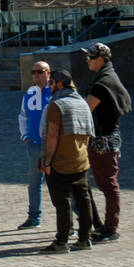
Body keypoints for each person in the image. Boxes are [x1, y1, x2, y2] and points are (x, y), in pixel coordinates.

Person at [38, 69, 96, 252]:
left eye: (51, 83)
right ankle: (85, 239)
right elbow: (88, 134)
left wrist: (47, 161)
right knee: (83, 200)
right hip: (81, 160)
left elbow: (52, 135)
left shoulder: (57, 105)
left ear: (59, 83)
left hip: (60, 162)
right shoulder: (82, 103)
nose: (50, 87)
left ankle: (61, 241)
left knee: (62, 203)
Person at [82, 42, 131, 242]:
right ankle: (105, 226)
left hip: (104, 141)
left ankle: (110, 229)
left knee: (108, 185)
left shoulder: (103, 83)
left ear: (100, 59)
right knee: (106, 184)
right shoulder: (107, 76)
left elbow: (86, 109)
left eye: (90, 58)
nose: (87, 61)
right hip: (107, 138)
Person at [17, 61, 52, 229]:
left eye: (40, 71)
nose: (36, 75)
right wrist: (25, 136)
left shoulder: (55, 92)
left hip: (53, 145)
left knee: (60, 184)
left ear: (48, 73)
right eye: (34, 72)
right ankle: (34, 217)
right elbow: (23, 116)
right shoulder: (29, 93)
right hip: (34, 145)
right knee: (34, 182)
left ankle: (74, 221)